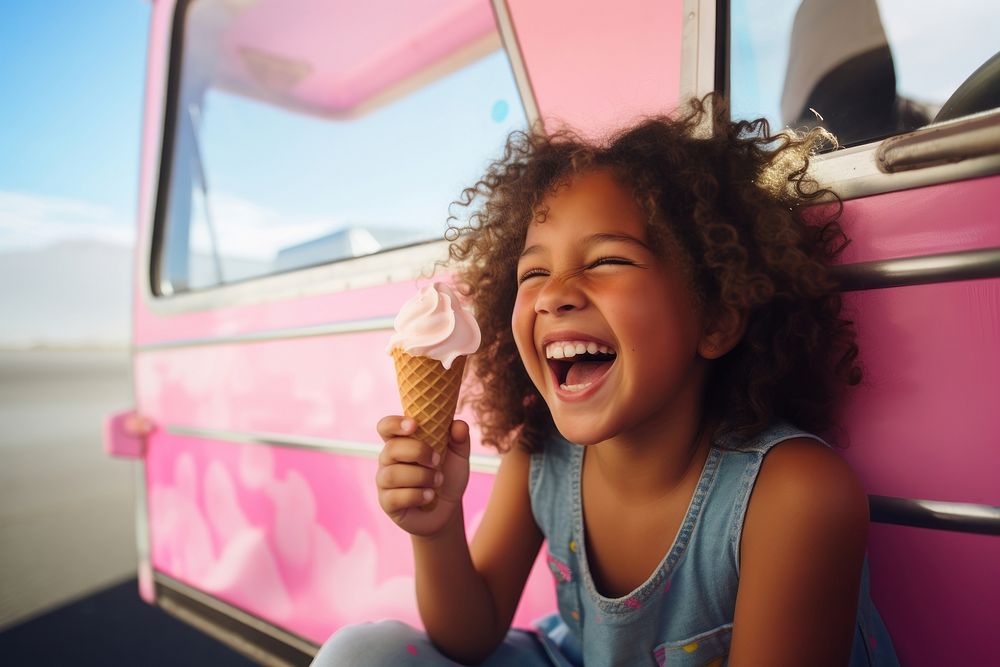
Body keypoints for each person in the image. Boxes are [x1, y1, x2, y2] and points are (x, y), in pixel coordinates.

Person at [312, 95, 898, 666]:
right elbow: (471, 636)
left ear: (716, 317)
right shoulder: (541, 454)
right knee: (362, 653)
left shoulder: (795, 494)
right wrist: (436, 529)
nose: (554, 294)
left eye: (606, 261)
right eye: (534, 271)